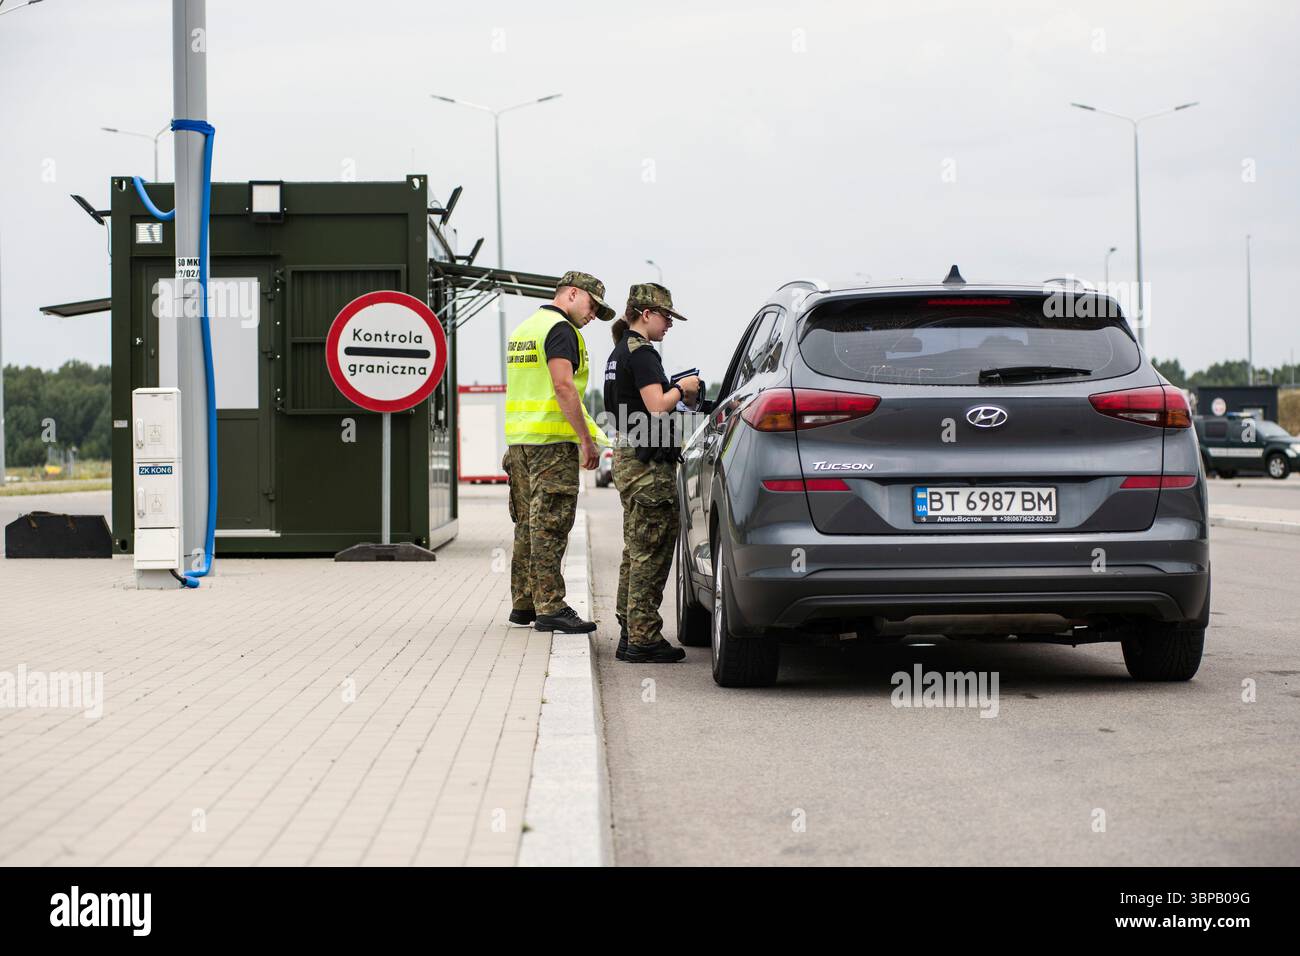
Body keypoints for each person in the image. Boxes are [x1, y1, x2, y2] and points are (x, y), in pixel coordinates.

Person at [503, 271, 614, 633]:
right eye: (592, 304)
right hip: (551, 445)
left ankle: (524, 603)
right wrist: (585, 439)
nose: (593, 314)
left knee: (526, 524)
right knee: (550, 524)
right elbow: (563, 386)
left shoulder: (525, 329)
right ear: (570, 294)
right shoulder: (562, 331)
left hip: (520, 442)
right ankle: (550, 605)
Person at [603, 283, 702, 662]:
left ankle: (631, 628)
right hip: (647, 467)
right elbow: (658, 406)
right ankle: (643, 638)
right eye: (666, 317)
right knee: (653, 550)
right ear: (646, 314)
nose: (669, 326)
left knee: (636, 548)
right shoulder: (642, 353)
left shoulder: (618, 352)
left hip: (629, 456)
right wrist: (682, 387)